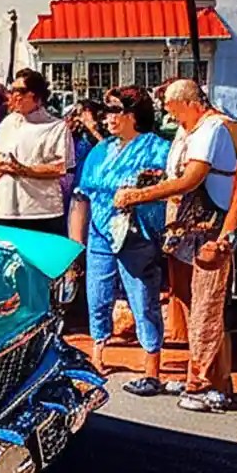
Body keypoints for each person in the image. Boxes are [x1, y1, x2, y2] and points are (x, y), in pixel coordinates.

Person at [114, 79, 235, 412]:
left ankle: (209, 384)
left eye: (170, 106)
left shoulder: (212, 129)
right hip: (184, 230)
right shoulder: (188, 131)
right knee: (189, 305)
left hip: (208, 230)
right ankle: (206, 376)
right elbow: (176, 176)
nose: (168, 113)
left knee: (208, 309)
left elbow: (191, 178)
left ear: (188, 102)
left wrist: (139, 196)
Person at [67, 86, 170, 393]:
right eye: (107, 111)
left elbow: (172, 186)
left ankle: (152, 365)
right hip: (100, 231)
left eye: (115, 111)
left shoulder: (157, 148)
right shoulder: (100, 151)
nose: (108, 117)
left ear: (133, 114)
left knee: (143, 297)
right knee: (97, 294)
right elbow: (81, 197)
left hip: (137, 233)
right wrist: (76, 246)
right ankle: (98, 355)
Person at [0, 69, 73, 234]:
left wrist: (23, 170)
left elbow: (60, 168)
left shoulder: (56, 127)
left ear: (37, 96)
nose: (14, 96)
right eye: (12, 90)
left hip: (42, 214)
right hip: (5, 211)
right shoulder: (8, 123)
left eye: (21, 91)